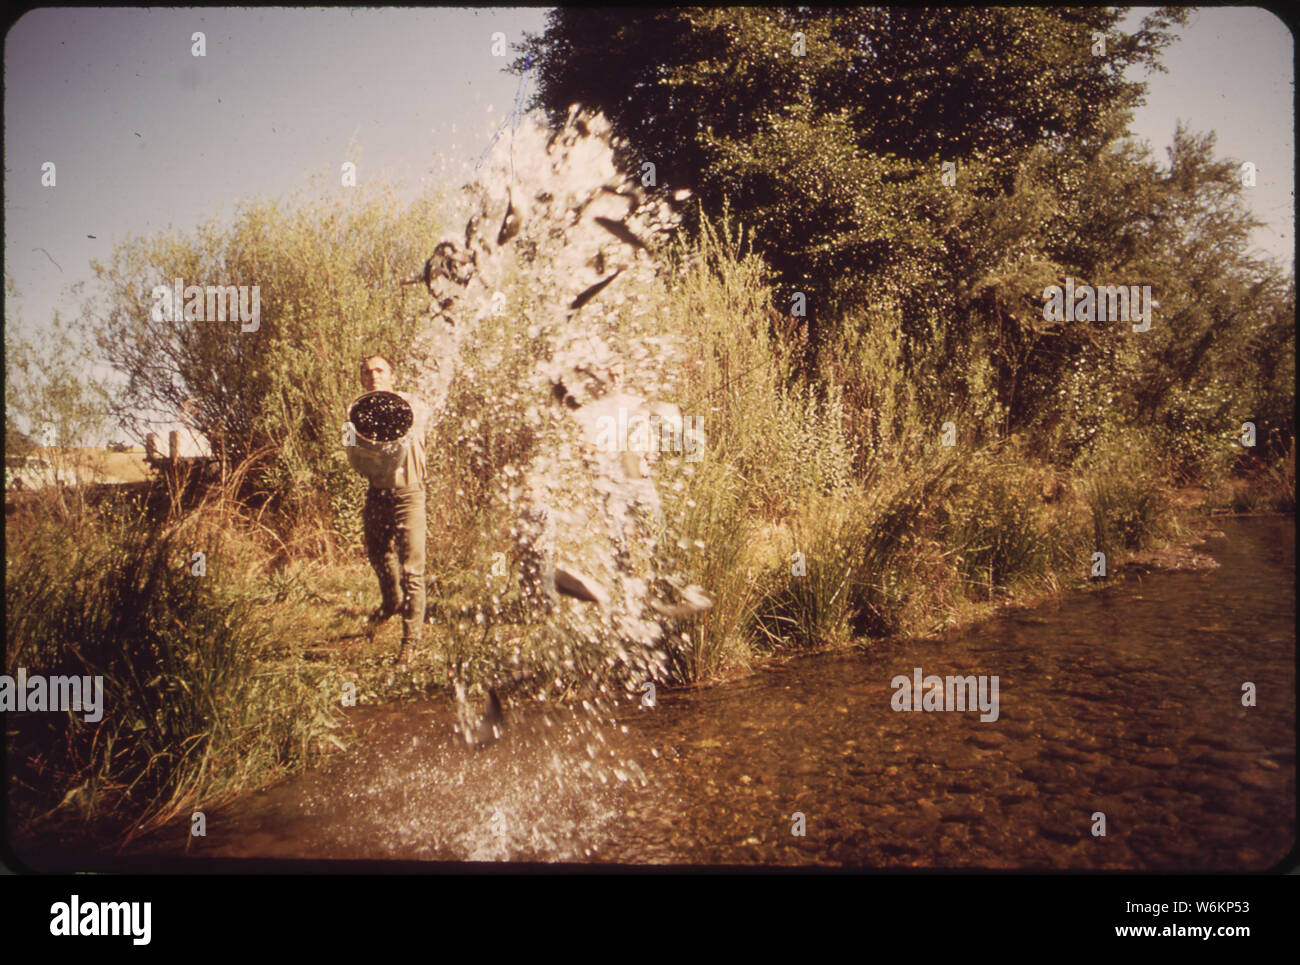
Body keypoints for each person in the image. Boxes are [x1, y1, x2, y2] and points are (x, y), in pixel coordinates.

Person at [353, 355, 433, 667]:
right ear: (362, 379)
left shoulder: (413, 405)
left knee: (413, 569)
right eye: (367, 372)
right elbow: (352, 455)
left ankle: (408, 646)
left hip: (409, 494)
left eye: (379, 370)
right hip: (377, 494)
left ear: (392, 376)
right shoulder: (356, 414)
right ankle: (391, 602)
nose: (373, 375)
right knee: (377, 553)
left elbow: (419, 422)